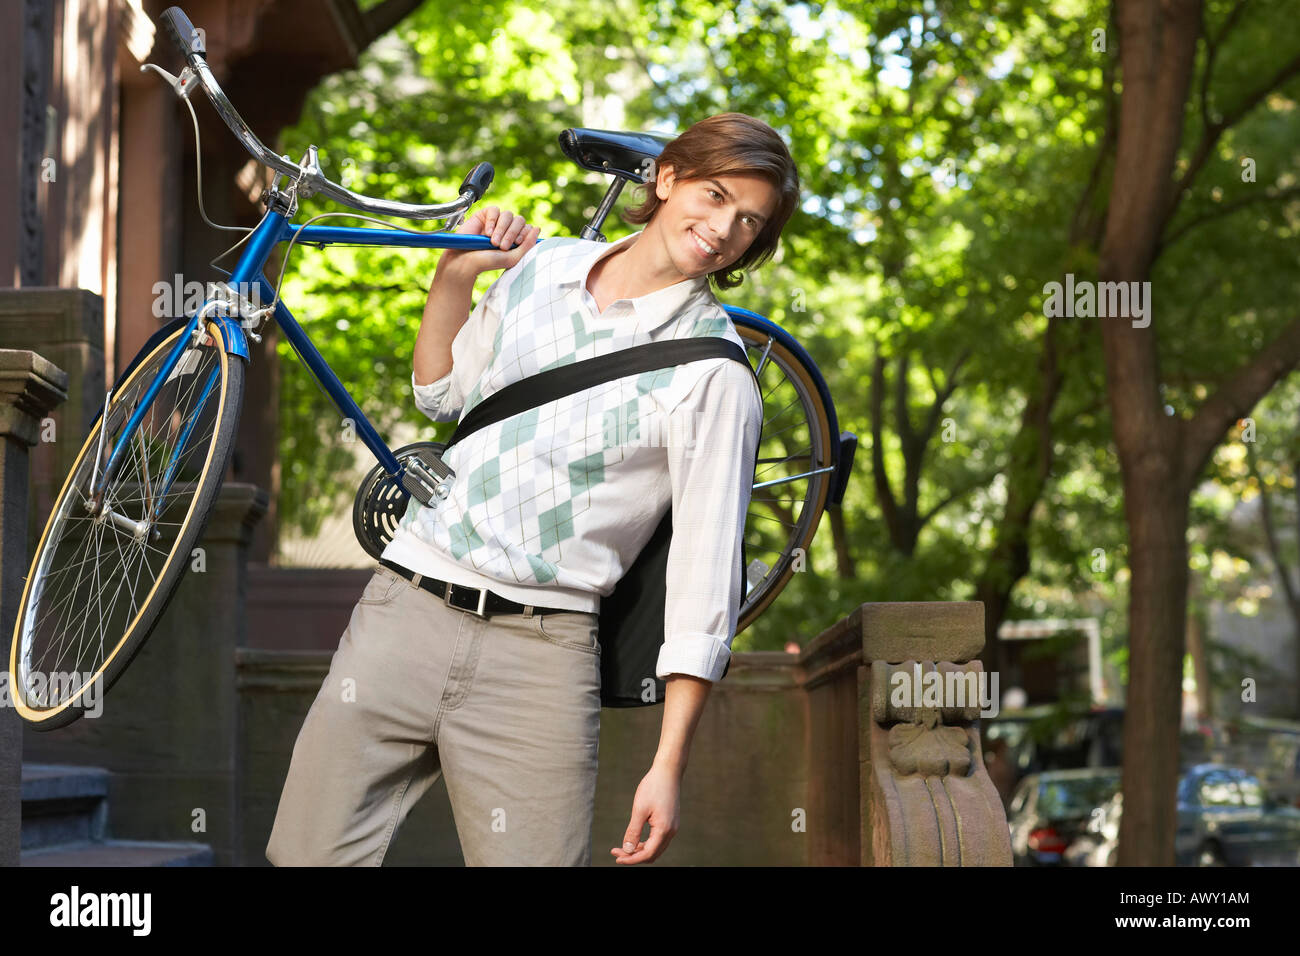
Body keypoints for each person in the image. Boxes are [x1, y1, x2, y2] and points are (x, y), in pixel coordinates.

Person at [266, 112, 800, 866]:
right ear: (669, 177)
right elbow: (441, 393)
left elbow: (704, 584)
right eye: (714, 196)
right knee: (303, 857)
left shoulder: (715, 376)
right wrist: (456, 272)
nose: (723, 229)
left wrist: (666, 765)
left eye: (748, 221)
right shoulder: (542, 268)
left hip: (540, 656)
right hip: (404, 610)